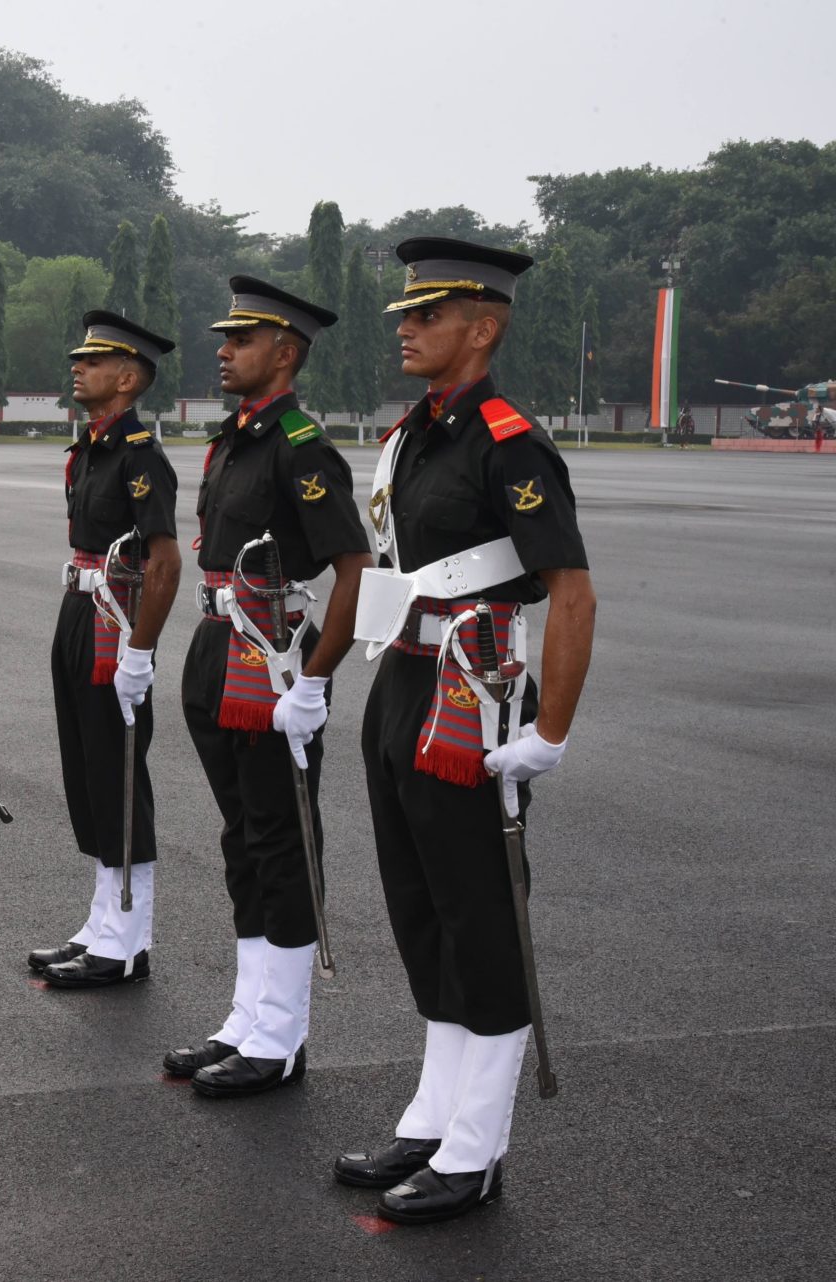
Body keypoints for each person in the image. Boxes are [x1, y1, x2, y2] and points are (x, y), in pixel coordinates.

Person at [336, 238, 597, 1224]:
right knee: (422, 907)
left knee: (481, 918)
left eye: (428, 314)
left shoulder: (508, 444)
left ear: (482, 326)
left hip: (474, 694)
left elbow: (571, 595)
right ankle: (434, 1115)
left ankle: (477, 1147)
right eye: (406, 312)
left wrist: (551, 734)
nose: (407, 326)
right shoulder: (414, 437)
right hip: (404, 680)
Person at [165, 278, 372, 1096]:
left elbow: (356, 571)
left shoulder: (300, 447)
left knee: (281, 843)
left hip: (274, 660)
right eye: (225, 337)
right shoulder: (233, 442)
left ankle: (282, 1036)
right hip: (219, 646)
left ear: (284, 352)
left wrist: (316, 678)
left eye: (241, 339)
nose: (223, 350)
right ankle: (246, 1016)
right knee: (240, 840)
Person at [27, 312, 182, 989]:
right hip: (79, 610)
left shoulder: (140, 456)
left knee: (120, 778)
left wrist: (140, 651)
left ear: (126, 377)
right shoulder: (91, 448)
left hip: (115, 620)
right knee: (89, 773)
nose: (77, 367)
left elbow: (166, 562)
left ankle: (127, 938)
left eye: (92, 362)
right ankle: (100, 922)